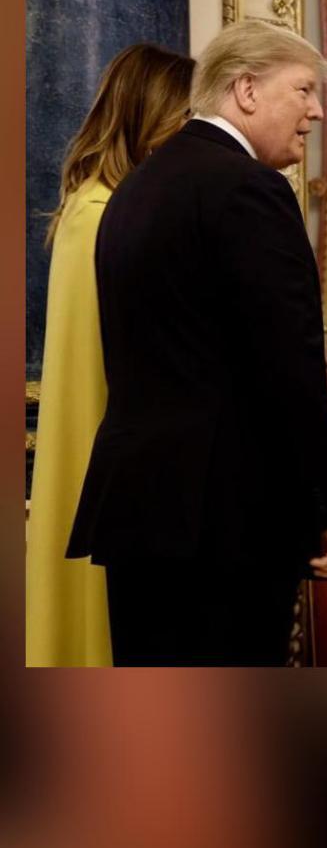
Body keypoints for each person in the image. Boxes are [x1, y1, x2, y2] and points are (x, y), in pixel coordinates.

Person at [67, 19, 327, 666]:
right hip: (228, 522)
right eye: (305, 90)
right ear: (247, 90)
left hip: (139, 509)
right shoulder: (250, 189)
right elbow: (290, 370)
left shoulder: (132, 190)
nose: (316, 111)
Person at [27, 44, 196, 666]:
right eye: (185, 121)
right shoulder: (111, 214)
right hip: (114, 438)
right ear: (150, 118)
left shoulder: (88, 205)